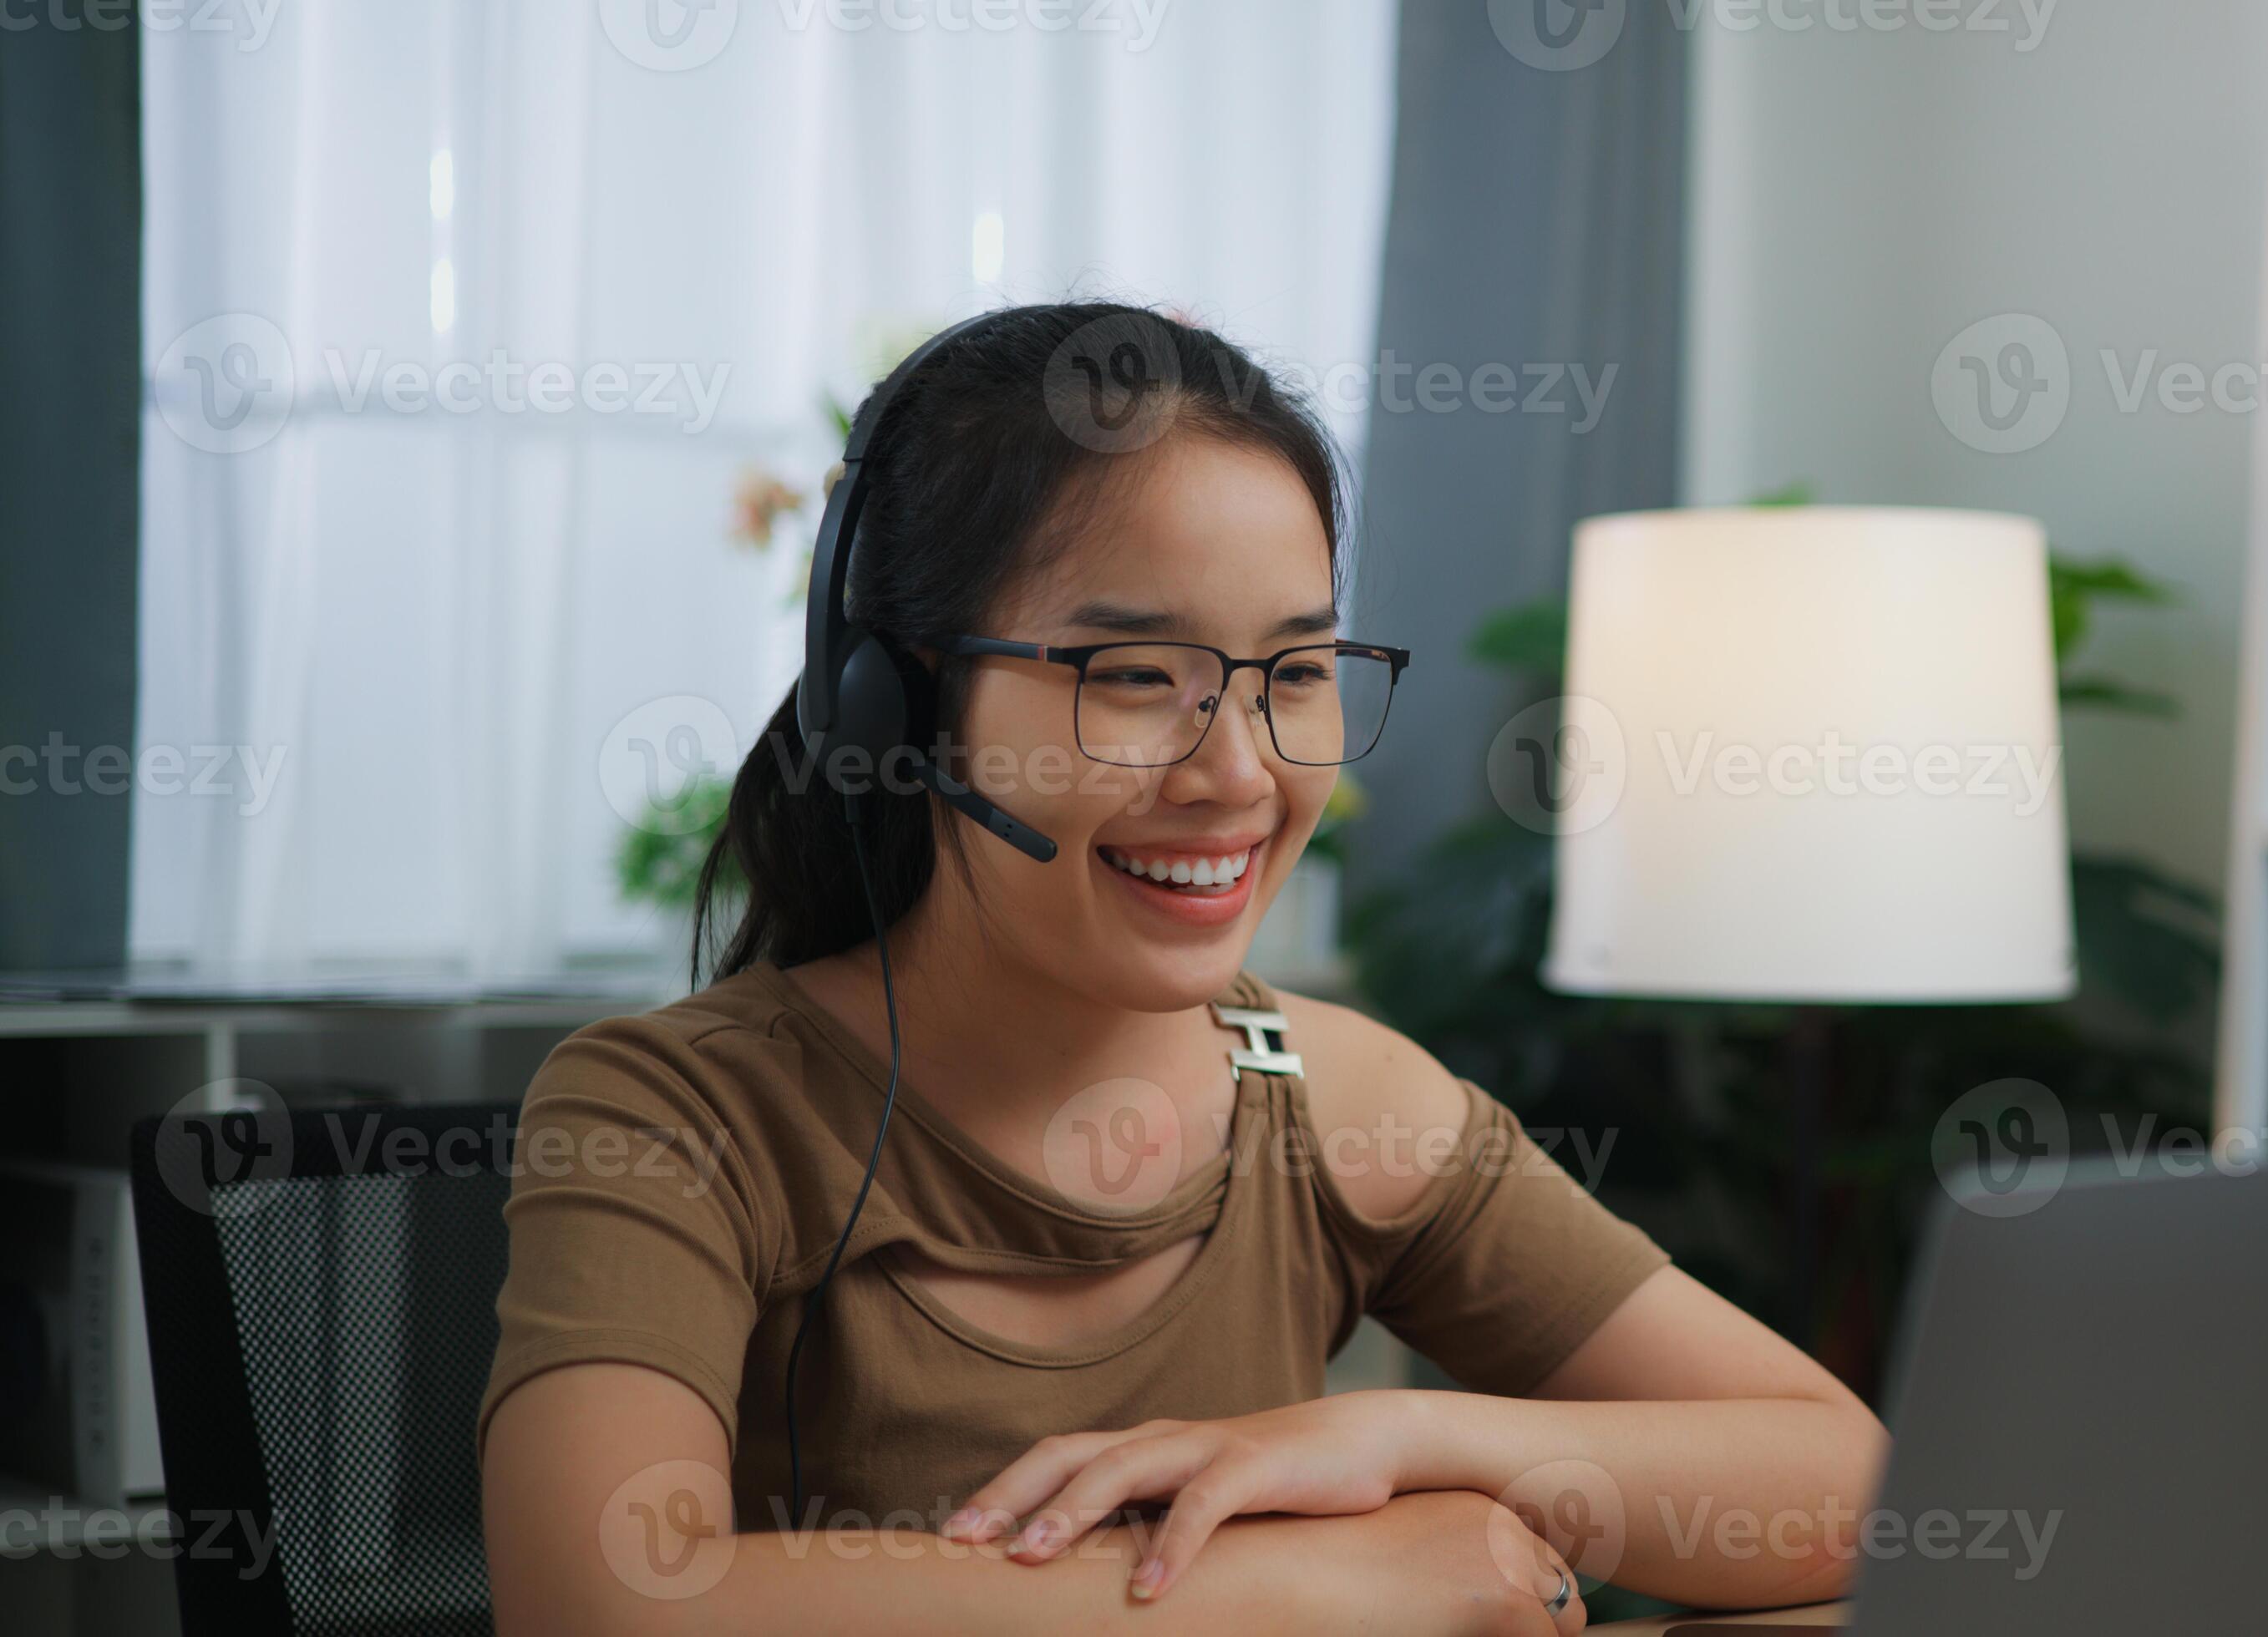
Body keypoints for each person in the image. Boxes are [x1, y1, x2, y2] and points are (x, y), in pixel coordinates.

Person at [479, 304, 1885, 1635]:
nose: (1237, 773)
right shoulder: (679, 1113)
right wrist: (1327, 1590)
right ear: (899, 705)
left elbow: (1852, 1497)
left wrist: (1393, 1437)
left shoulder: (1334, 1097)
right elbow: (600, 1600)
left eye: (1295, 671)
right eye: (1136, 675)